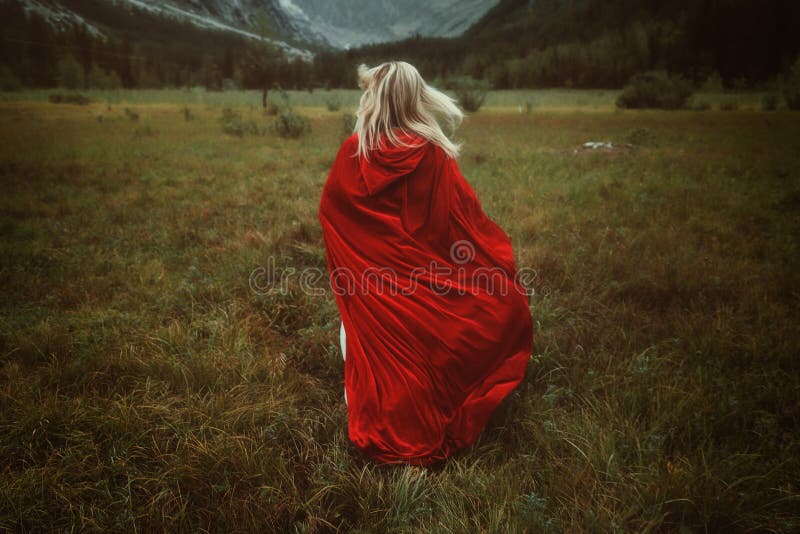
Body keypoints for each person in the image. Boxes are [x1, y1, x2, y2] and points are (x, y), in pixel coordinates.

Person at [318, 61, 533, 467]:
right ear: (415, 99)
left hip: (374, 288)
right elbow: (463, 226)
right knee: (495, 303)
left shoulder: (355, 151)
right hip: (418, 283)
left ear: (375, 98)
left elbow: (333, 215)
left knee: (363, 327)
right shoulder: (433, 154)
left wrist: (370, 268)